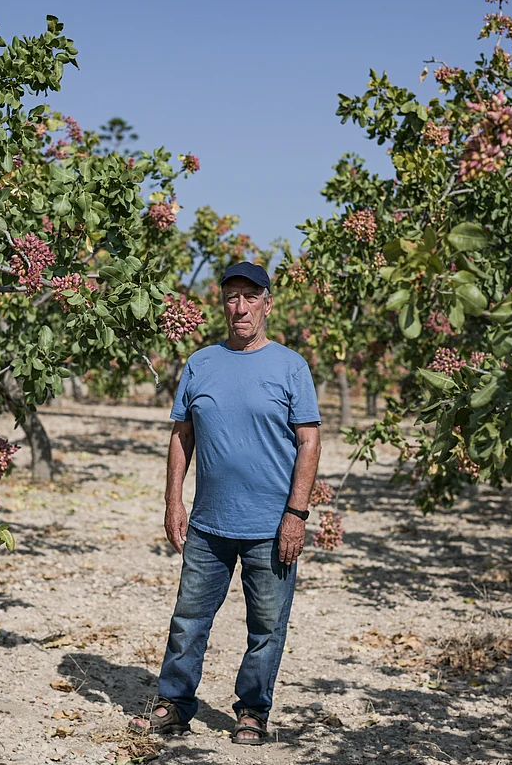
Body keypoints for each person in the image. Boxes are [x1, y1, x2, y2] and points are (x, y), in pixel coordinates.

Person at [130, 262, 322, 746]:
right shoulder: (200, 363)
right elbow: (182, 435)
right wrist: (174, 500)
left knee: (266, 626)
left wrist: (296, 516)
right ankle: (173, 704)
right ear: (223, 304)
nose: (240, 307)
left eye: (250, 298)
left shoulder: (290, 366)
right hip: (209, 524)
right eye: (232, 297)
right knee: (189, 618)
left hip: (271, 526)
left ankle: (253, 712)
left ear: (267, 304)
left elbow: (309, 442)